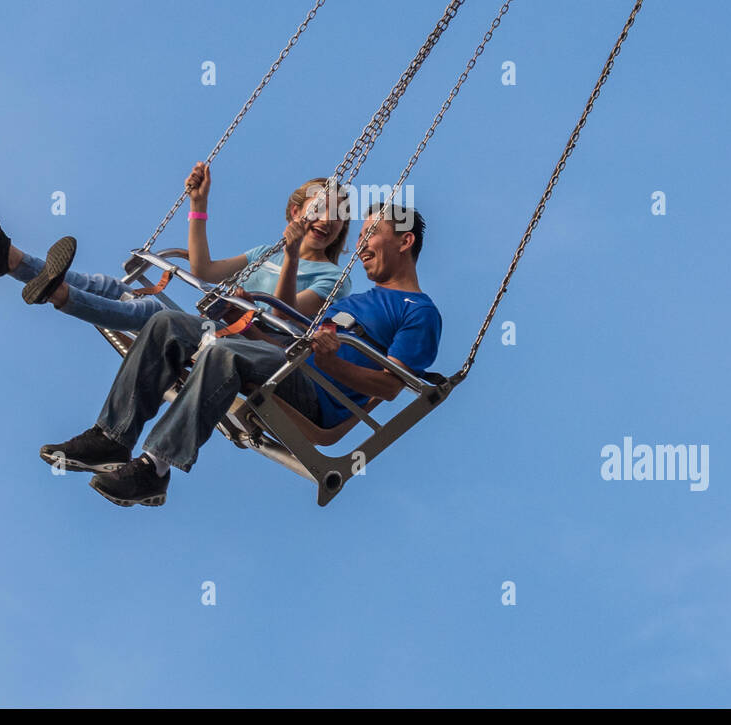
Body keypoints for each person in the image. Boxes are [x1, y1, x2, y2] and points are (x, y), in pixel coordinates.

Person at [37, 201, 441, 508]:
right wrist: (241, 316)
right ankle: (112, 436)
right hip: (288, 364)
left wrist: (333, 361)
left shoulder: (418, 311)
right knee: (167, 325)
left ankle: (155, 467)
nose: (359, 245)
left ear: (405, 241)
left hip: (318, 397)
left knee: (223, 354)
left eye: (371, 233)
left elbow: (390, 386)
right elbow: (288, 343)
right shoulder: (359, 301)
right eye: (361, 234)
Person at [0, 163, 351, 333]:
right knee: (110, 286)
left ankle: (57, 292)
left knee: (153, 312)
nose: (328, 220)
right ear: (295, 211)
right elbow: (203, 271)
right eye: (321, 208)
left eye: (339, 216)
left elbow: (287, 319)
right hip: (219, 326)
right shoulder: (261, 254)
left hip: (250, 344)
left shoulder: (333, 277)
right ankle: (9, 259)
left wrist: (289, 257)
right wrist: (198, 206)